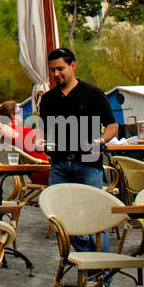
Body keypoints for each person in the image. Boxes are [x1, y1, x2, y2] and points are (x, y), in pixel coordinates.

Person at [38, 47, 117, 252]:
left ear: (73, 65)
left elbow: (112, 126)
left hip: (88, 164)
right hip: (59, 165)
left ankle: (101, 265)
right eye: (53, 70)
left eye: (60, 69)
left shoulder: (93, 93)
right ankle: (88, 257)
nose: (56, 74)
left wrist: (101, 140)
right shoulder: (48, 99)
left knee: (95, 217)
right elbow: (42, 130)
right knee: (61, 217)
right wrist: (40, 141)